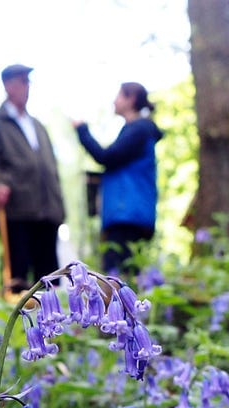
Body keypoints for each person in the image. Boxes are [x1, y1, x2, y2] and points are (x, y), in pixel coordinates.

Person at [0, 64, 66, 294]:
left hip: (47, 212)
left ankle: (54, 328)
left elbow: (49, 166)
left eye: (28, 81)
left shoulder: (38, 126)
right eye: (23, 81)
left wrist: (59, 206)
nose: (27, 87)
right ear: (8, 85)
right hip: (16, 211)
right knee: (18, 278)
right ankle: (19, 327)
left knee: (49, 279)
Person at [73, 82, 164, 275]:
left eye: (119, 96)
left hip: (127, 214)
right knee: (126, 272)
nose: (114, 101)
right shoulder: (138, 130)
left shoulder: (138, 129)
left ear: (131, 99)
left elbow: (107, 157)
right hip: (131, 213)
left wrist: (82, 131)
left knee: (116, 275)